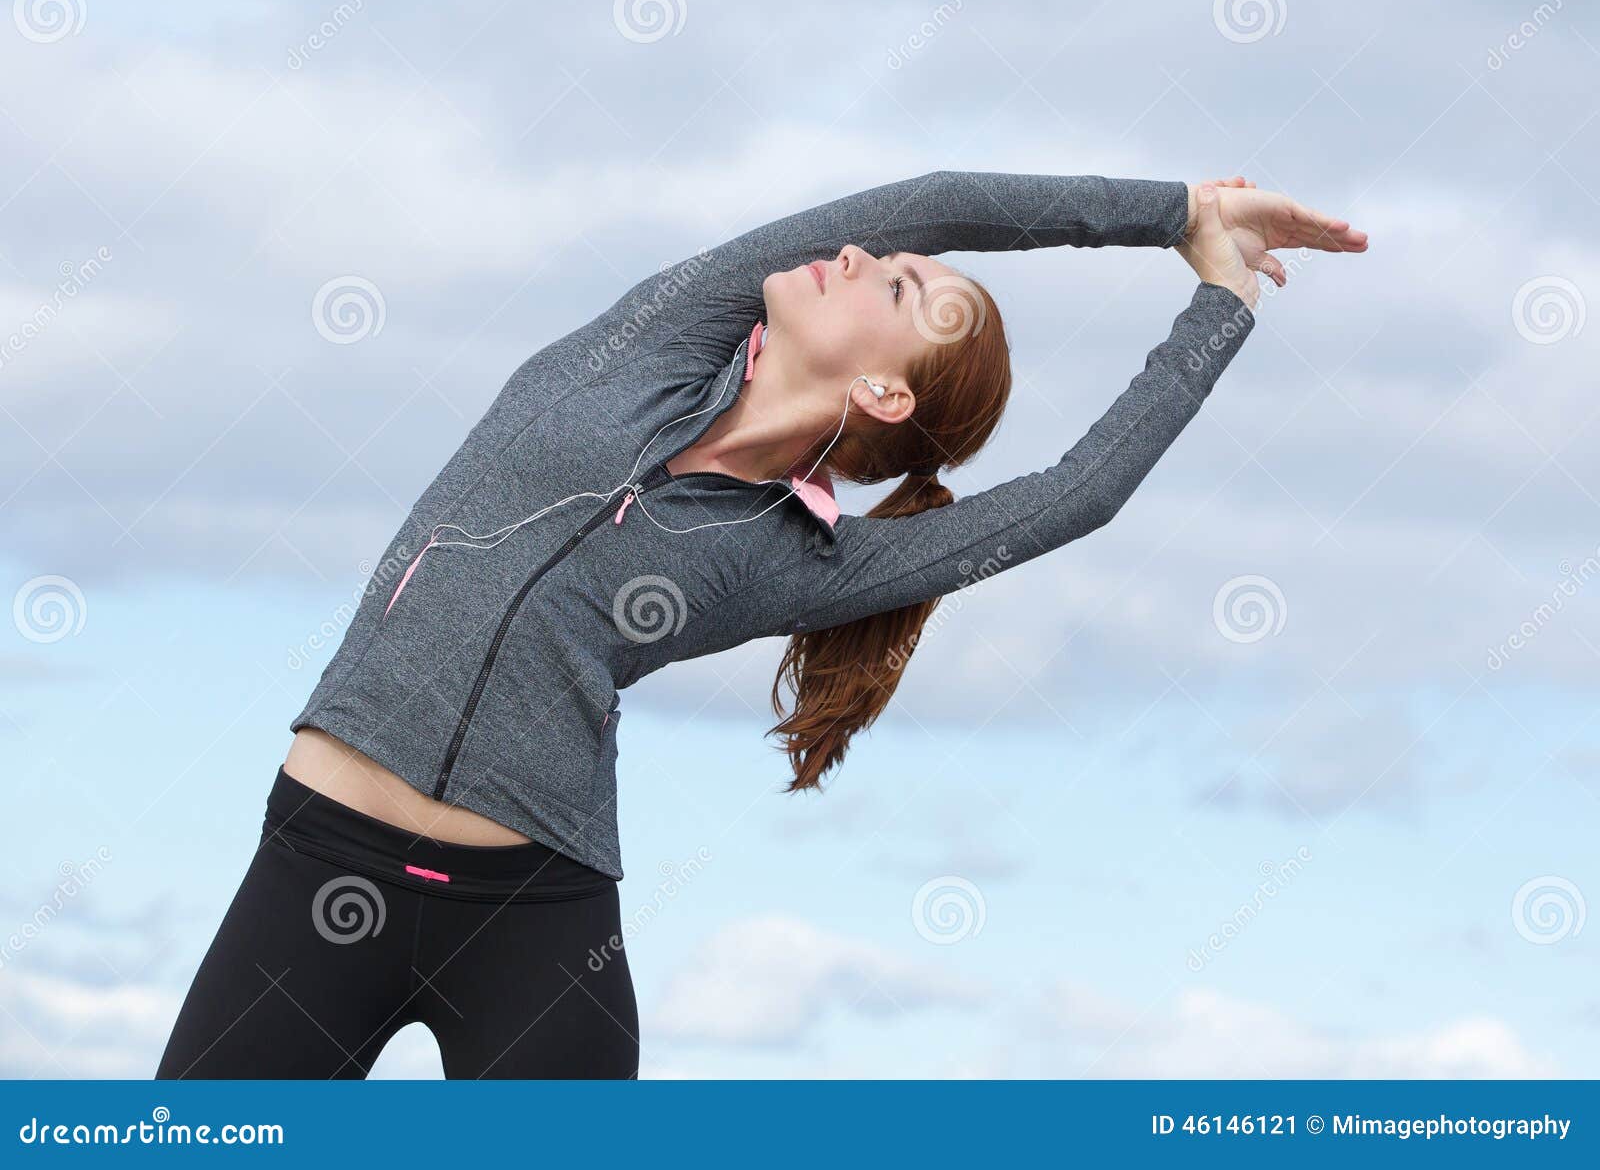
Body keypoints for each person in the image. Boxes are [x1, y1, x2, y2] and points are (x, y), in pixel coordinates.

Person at [156, 170, 1366, 1079]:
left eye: (900, 286)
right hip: (317, 867)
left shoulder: (802, 559)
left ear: (884, 390)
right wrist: (1173, 212)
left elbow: (1077, 493)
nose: (857, 252)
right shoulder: (646, 345)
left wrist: (1220, 298)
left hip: (532, 925)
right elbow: (940, 197)